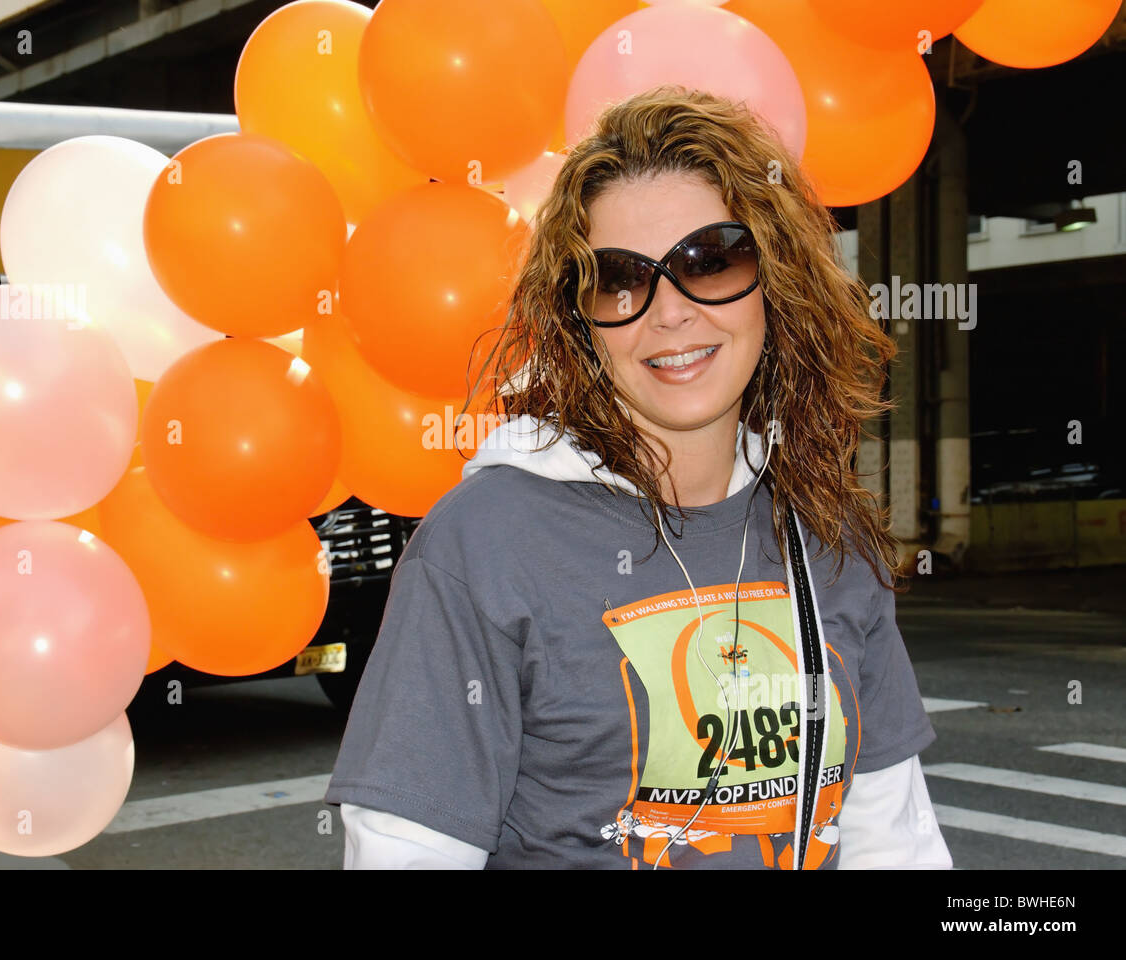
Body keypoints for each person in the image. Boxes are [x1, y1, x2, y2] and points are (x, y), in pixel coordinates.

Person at [323, 86, 953, 870]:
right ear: (579, 321)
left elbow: (891, 841)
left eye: (710, 260)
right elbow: (403, 855)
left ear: (776, 281)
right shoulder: (486, 545)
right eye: (619, 279)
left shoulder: (825, 531)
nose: (669, 312)